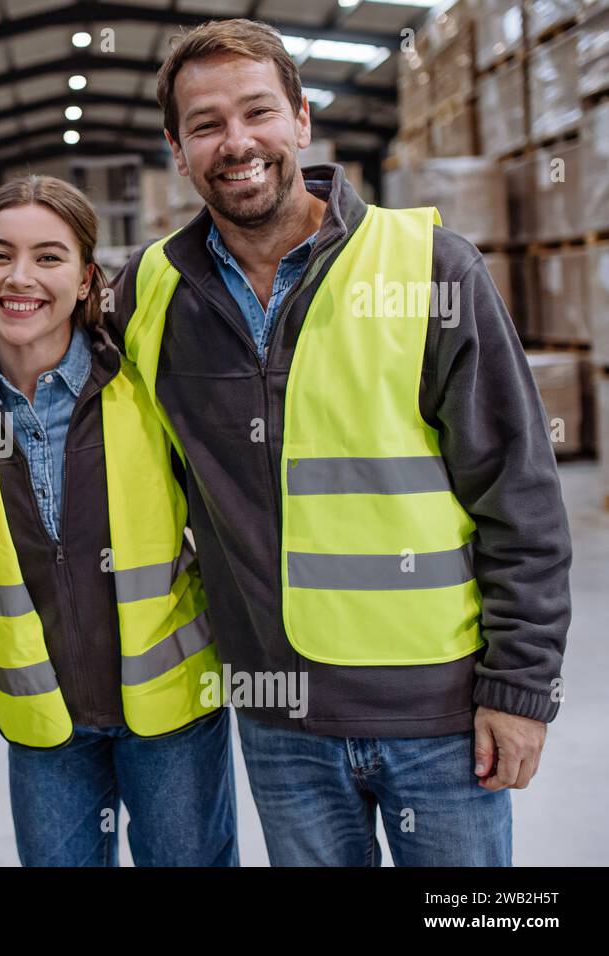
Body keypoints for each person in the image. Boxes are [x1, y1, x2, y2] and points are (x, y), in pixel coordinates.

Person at [108, 19, 572, 866]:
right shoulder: (151, 290)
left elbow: (521, 494)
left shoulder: (432, 269)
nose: (236, 142)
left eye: (257, 113)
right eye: (206, 125)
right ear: (177, 149)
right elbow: (34, 347)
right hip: (280, 719)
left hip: (440, 716)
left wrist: (521, 688)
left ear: (302, 122)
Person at [0, 175, 236, 866]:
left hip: (170, 712)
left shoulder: (143, 381)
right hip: (42, 722)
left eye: (48, 257)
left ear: (86, 277)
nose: (20, 278)